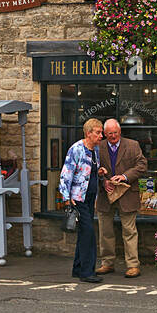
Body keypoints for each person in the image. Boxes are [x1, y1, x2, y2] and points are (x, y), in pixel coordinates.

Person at [95, 118, 148, 278]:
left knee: (129, 231)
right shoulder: (98, 147)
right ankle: (107, 263)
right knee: (105, 231)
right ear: (104, 134)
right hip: (106, 195)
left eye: (115, 133)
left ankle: (133, 266)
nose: (113, 136)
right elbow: (92, 169)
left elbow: (142, 165)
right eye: (109, 134)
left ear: (120, 132)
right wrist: (103, 181)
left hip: (127, 194)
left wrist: (124, 176)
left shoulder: (132, 145)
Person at [58, 118, 106, 283]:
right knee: (89, 234)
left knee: (84, 234)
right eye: (98, 132)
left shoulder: (95, 150)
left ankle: (78, 269)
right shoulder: (76, 149)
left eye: (101, 132)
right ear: (88, 133)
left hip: (90, 196)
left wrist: (99, 172)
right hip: (78, 198)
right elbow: (66, 174)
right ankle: (87, 272)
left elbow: (87, 171)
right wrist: (66, 198)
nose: (101, 135)